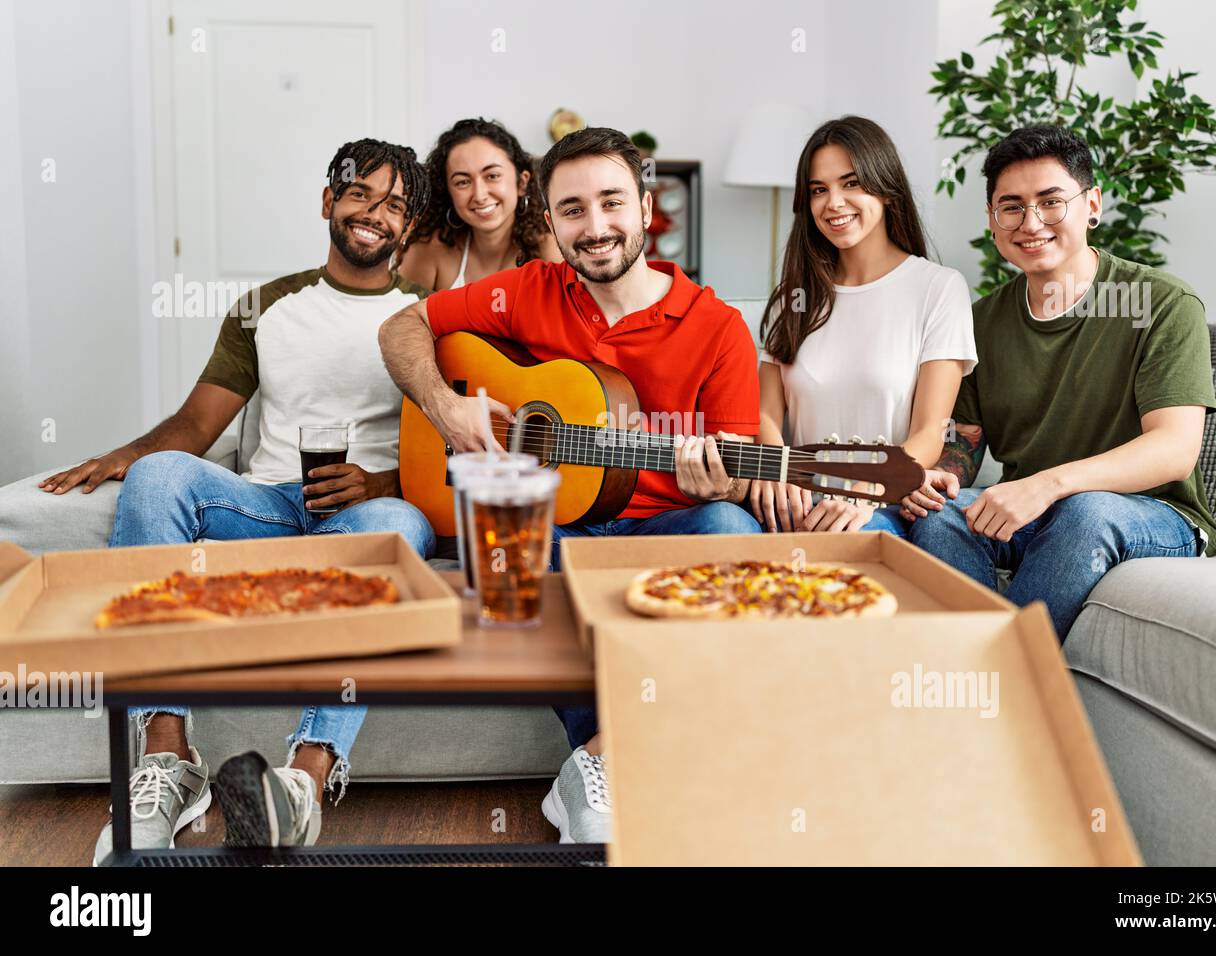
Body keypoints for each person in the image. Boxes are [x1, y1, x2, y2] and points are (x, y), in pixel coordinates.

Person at [35, 139, 436, 863]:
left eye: (396, 206)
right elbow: (196, 427)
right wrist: (127, 455)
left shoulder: (426, 318)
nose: (375, 214)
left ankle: (303, 783)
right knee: (160, 475)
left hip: (367, 514)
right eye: (360, 195)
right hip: (268, 504)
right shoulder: (266, 308)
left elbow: (449, 451)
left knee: (398, 527)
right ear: (328, 202)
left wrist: (382, 485)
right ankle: (167, 755)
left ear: (409, 231)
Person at [378, 126, 761, 845]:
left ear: (647, 208)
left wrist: (724, 484)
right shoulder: (527, 292)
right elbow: (404, 326)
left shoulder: (717, 328)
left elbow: (737, 472)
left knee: (733, 535)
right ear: (549, 220)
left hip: (664, 526)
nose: (595, 226)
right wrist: (446, 405)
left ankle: (596, 761)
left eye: (611, 202)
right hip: (557, 525)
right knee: (507, 541)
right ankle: (612, 768)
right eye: (573, 209)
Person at [903, 125, 1216, 640]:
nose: (1031, 223)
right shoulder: (981, 321)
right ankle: (979, 660)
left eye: (1051, 202)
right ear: (992, 220)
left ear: (1092, 204)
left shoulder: (1162, 303)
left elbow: (1174, 450)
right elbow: (965, 437)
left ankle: (1001, 674)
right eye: (1012, 207)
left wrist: (1048, 484)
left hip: (1157, 514)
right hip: (1036, 512)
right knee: (941, 515)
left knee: (1084, 509)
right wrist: (942, 477)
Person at [751, 116, 976, 535]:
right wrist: (780, 475)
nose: (833, 202)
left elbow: (929, 433)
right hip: (796, 501)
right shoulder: (793, 297)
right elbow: (766, 414)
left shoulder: (939, 288)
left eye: (851, 183)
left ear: (886, 190)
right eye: (819, 190)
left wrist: (863, 492)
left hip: (880, 503)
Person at [397, 117, 561, 292]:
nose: (479, 195)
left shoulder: (550, 250)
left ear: (521, 182)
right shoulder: (428, 251)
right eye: (462, 182)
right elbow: (403, 317)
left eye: (492, 176)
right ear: (447, 191)